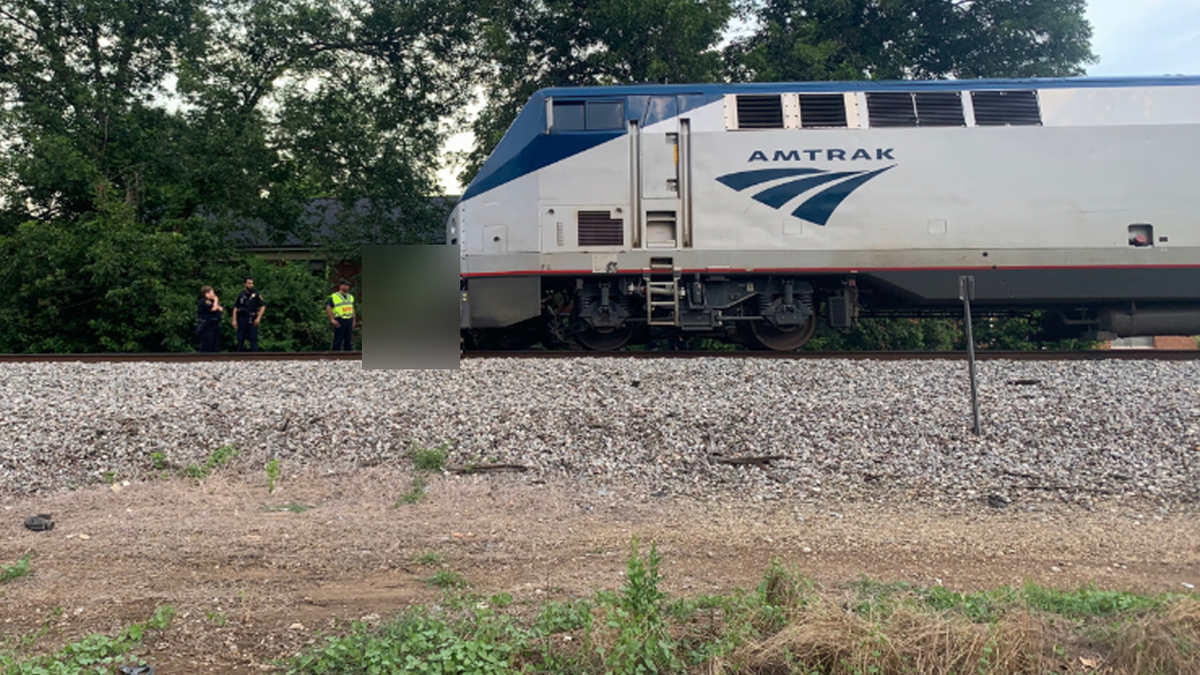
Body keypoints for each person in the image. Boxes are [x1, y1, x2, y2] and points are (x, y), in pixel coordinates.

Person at [232, 276, 266, 352]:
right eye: (249, 283)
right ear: (245, 284)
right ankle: (239, 355)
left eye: (252, 283)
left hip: (252, 318)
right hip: (242, 318)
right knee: (240, 338)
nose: (251, 285)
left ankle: (254, 356)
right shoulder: (240, 295)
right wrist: (234, 320)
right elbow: (235, 308)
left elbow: (263, 306)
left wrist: (258, 318)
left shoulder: (256, 294)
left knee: (253, 338)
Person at [326, 279, 356, 351]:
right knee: (338, 339)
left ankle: (348, 356)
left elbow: (352, 308)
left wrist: (354, 319)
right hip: (340, 319)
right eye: (346, 285)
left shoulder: (350, 296)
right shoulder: (334, 296)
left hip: (348, 319)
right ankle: (336, 355)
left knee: (348, 339)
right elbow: (328, 308)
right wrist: (332, 320)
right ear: (341, 286)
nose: (347, 287)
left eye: (348, 285)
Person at [197, 286, 224, 352]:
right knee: (207, 344)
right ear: (207, 294)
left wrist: (216, 304)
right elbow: (213, 309)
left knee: (215, 344)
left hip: (215, 324)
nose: (213, 295)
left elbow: (221, 309)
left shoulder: (212, 302)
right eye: (212, 293)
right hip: (207, 326)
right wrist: (216, 300)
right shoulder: (204, 301)